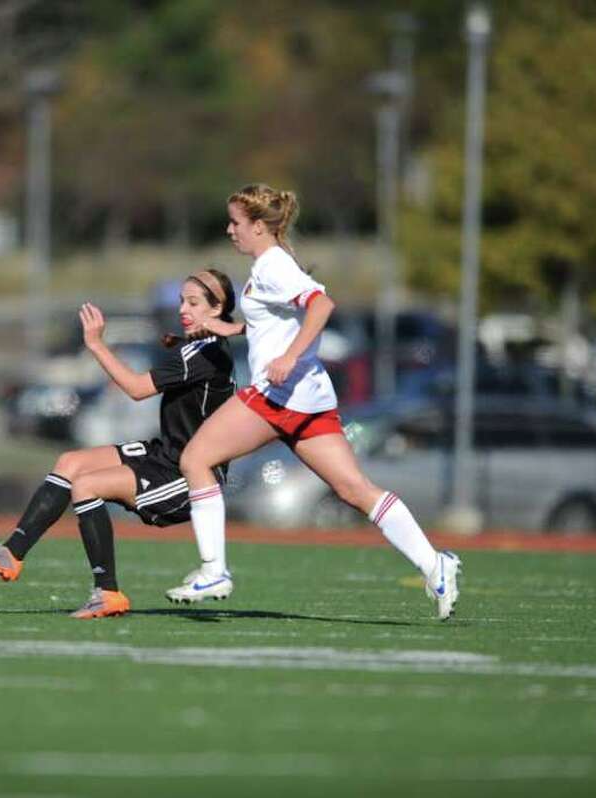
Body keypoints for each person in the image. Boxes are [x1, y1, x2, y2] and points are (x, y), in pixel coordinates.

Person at [167, 184, 461, 620]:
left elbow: (321, 306)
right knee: (353, 489)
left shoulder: (272, 266)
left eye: (236, 223)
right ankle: (435, 564)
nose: (230, 230)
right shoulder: (273, 265)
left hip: (278, 396)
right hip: (309, 396)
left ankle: (214, 570)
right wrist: (228, 330)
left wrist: (288, 357)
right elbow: (277, 324)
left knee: (195, 459)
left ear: (260, 227)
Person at [0, 269, 238, 618]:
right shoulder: (200, 346)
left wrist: (95, 344)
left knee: (87, 486)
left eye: (194, 302)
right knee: (70, 462)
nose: (184, 308)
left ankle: (107, 593)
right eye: (182, 300)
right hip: (165, 454)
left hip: (186, 477)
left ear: (217, 309)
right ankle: (11, 553)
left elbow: (137, 389)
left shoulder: (206, 353)